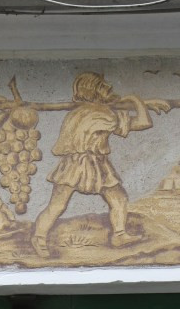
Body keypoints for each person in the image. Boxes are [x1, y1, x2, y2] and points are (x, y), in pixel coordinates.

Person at [32, 72, 162, 256]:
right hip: (81, 163)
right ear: (92, 91)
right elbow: (143, 122)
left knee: (118, 199)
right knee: (58, 206)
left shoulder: (78, 113)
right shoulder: (102, 115)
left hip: (89, 163)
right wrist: (136, 100)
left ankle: (119, 234)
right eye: (102, 86)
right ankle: (38, 238)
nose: (108, 87)